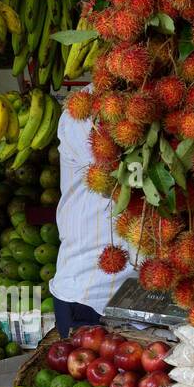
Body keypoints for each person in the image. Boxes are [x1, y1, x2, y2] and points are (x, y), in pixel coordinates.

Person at [51, 90, 136, 336]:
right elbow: (114, 167)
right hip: (93, 292)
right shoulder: (84, 108)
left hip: (143, 294)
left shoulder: (158, 101)